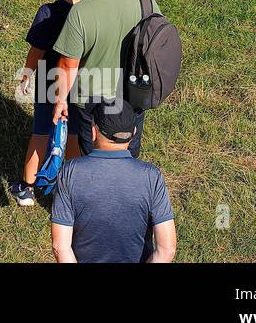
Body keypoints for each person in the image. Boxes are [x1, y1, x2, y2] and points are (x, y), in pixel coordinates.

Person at [52, 0, 160, 157]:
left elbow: (67, 65)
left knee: (91, 158)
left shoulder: (81, 12)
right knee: (127, 156)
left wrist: (60, 100)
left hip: (92, 101)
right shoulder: (146, 2)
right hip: (133, 94)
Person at [8, 0, 92, 207]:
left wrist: (26, 74)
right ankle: (74, 189)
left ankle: (27, 188)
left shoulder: (48, 12)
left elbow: (37, 50)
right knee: (74, 134)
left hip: (49, 81)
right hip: (78, 82)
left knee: (42, 132)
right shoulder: (88, 14)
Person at [49, 101, 177, 263]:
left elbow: (60, 246)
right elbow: (167, 249)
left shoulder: (70, 171)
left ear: (93, 132)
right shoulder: (152, 176)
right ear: (134, 132)